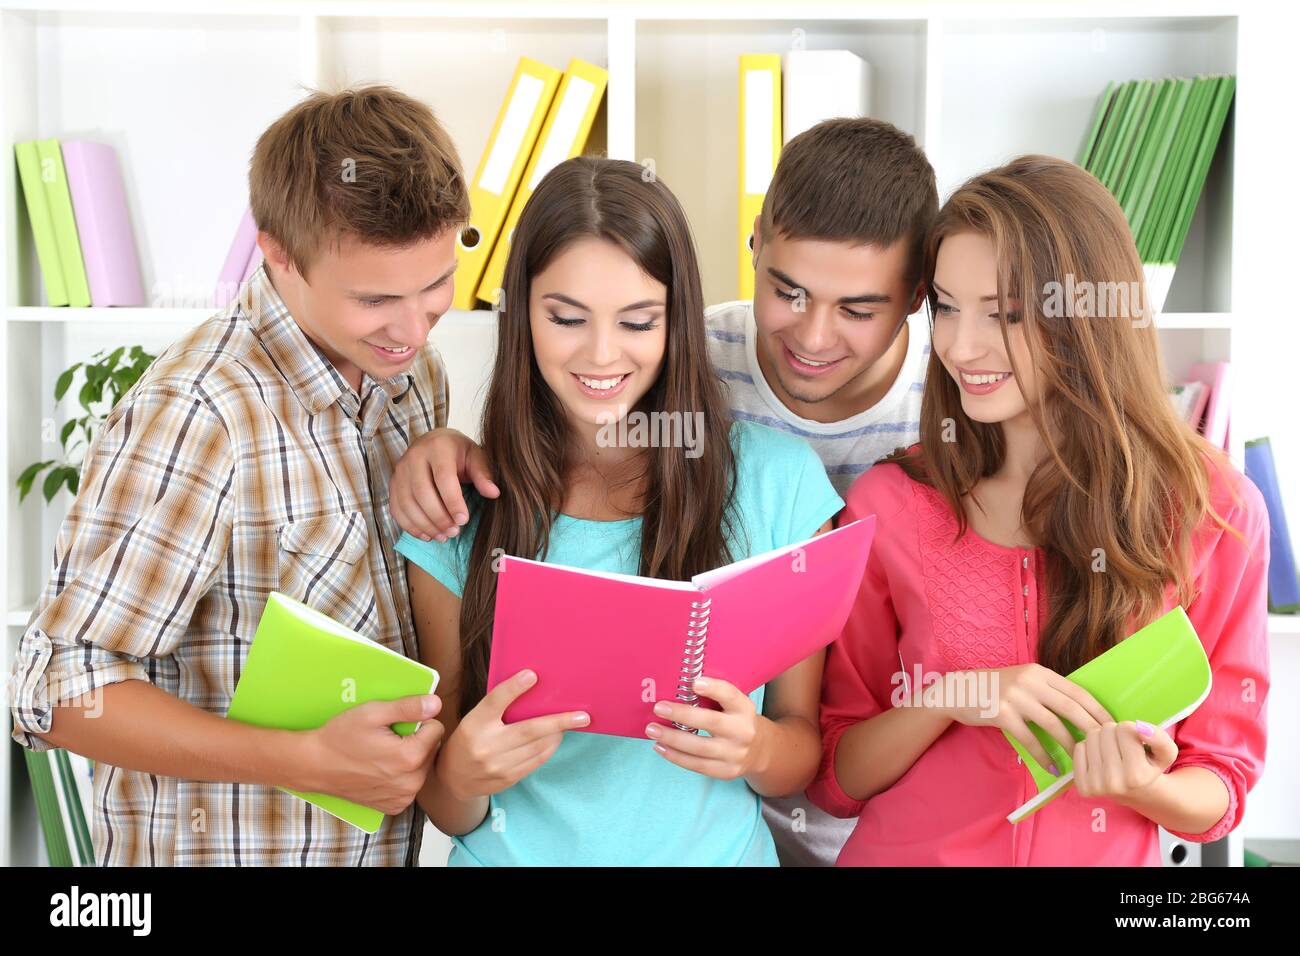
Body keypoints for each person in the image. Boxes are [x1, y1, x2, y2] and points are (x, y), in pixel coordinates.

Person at [387, 117, 938, 865]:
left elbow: (801, 748)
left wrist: (754, 747)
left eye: (639, 321)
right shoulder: (458, 508)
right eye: (565, 318)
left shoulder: (780, 484)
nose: (602, 354)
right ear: (520, 313)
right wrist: (462, 770)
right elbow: (448, 803)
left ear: (677, 323)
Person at [8, 86, 469, 865]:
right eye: (375, 298)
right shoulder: (200, 413)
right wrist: (299, 760)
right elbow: (51, 694)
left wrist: (448, 450)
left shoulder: (413, 377)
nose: (413, 327)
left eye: (434, 286)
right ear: (277, 254)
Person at [808, 155, 1270, 865]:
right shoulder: (890, 507)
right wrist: (953, 697)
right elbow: (837, 776)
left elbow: (1224, 783)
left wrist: (1146, 785)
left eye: (1006, 314)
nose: (961, 346)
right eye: (948, 307)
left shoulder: (1215, 513)